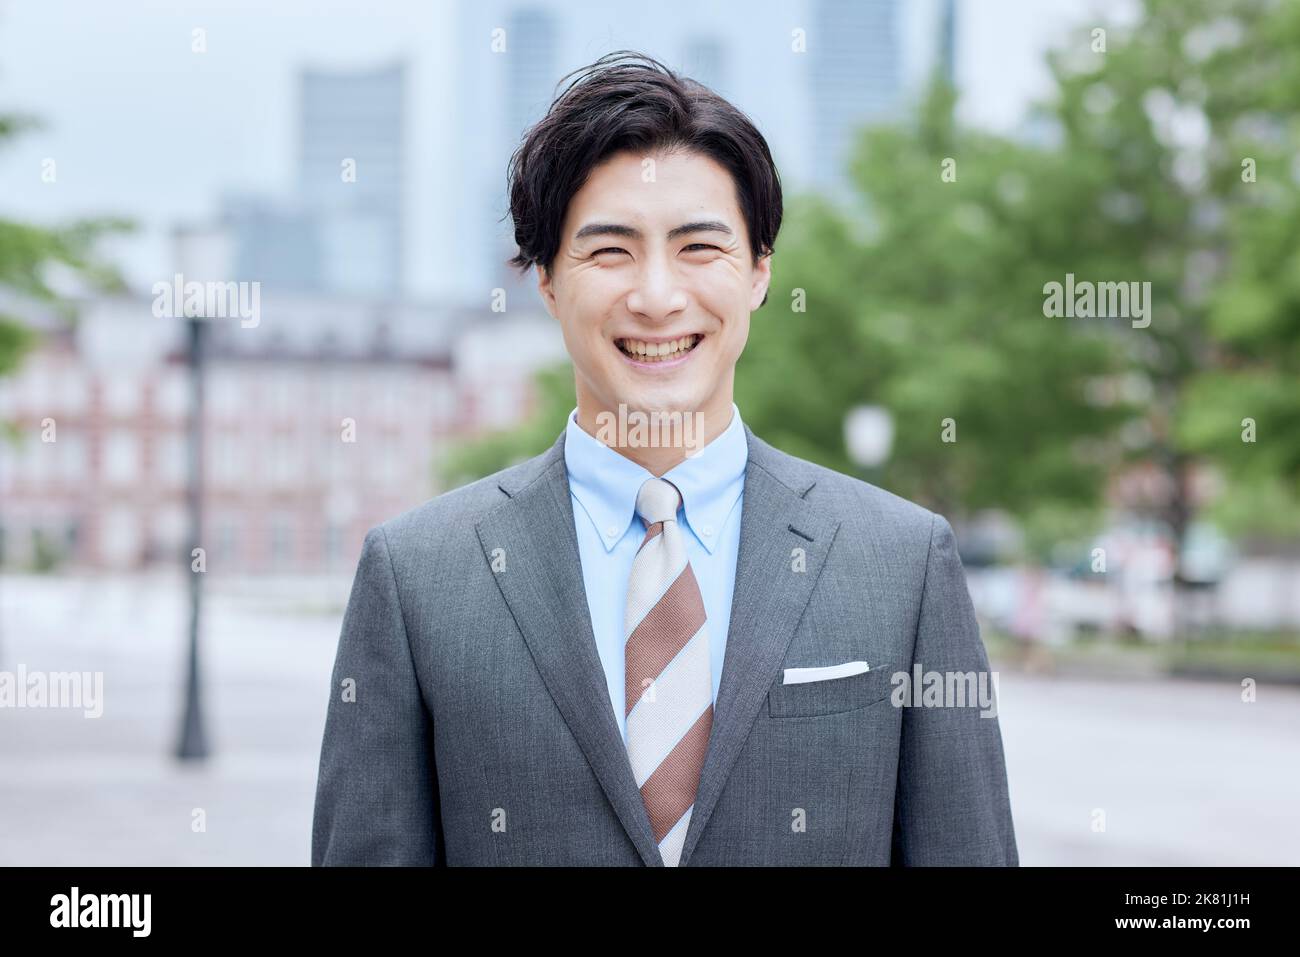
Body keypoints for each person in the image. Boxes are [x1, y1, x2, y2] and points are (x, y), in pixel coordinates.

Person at [312, 51, 1018, 866]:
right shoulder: (417, 578)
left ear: (759, 272)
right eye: (610, 251)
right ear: (545, 279)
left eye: (698, 248)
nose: (655, 296)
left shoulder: (901, 563)